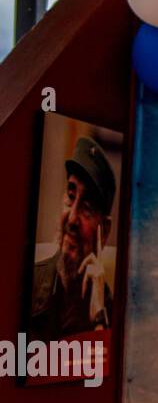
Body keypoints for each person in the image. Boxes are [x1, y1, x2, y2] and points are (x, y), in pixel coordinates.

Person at [28, 136, 116, 341]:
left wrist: (98, 320)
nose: (72, 219)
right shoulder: (29, 282)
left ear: (105, 230)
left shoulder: (111, 311)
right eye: (70, 196)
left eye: (86, 208)